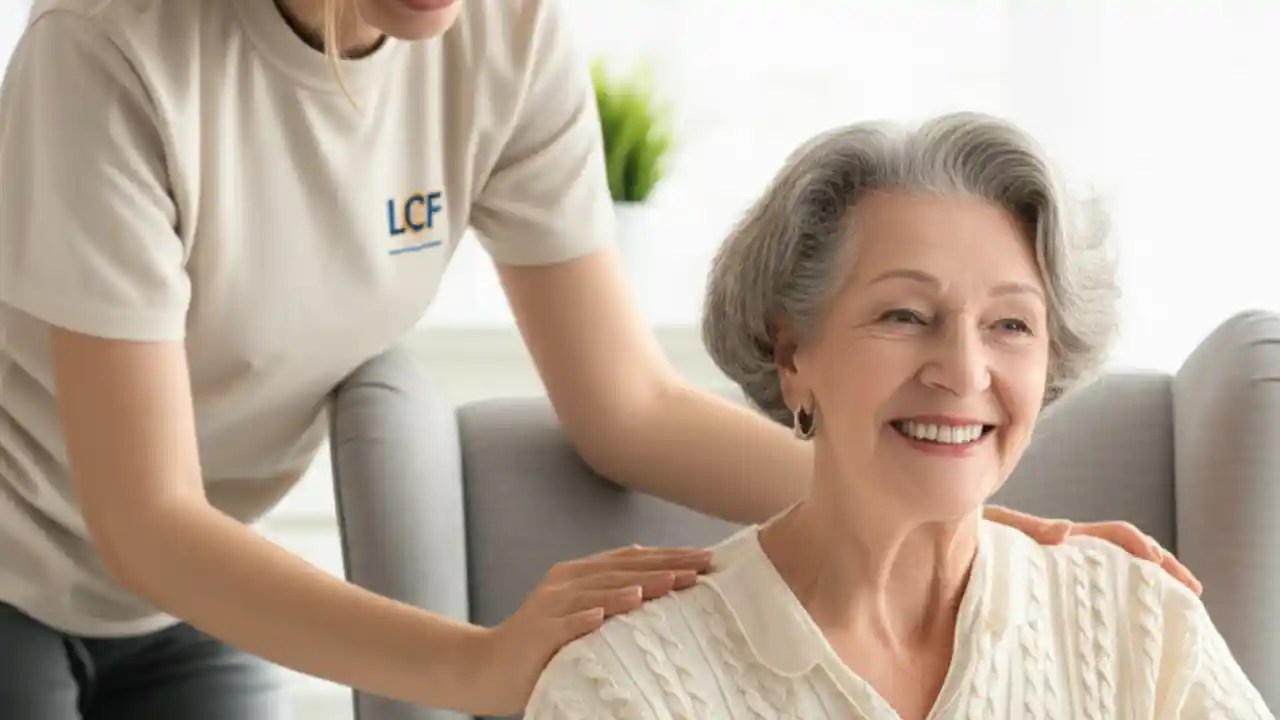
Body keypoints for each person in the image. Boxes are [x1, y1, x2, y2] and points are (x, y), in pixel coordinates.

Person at [0, 0, 1200, 717]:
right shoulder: (110, 54)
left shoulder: (500, 36)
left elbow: (620, 403)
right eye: (902, 315)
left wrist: (978, 521)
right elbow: (143, 516)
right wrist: (477, 666)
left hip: (192, 585)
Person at [524, 113, 1272, 719]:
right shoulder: (629, 683)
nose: (963, 370)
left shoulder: (1138, 619)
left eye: (1011, 325)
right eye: (905, 314)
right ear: (793, 357)